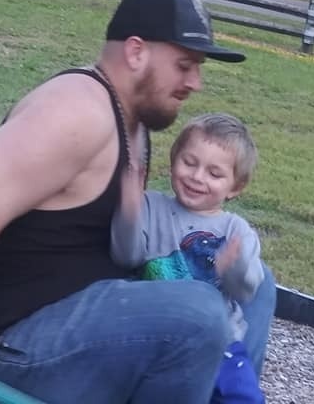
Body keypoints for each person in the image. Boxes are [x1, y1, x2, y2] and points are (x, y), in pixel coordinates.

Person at [0, 0, 276, 404]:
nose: (195, 82)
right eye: (184, 65)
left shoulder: (134, 118)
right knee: (198, 315)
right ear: (136, 52)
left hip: (89, 321)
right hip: (21, 343)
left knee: (255, 284)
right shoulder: (76, 111)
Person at [111, 113, 266, 404]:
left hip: (222, 343)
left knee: (241, 397)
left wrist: (233, 268)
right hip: (154, 333)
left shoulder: (236, 231)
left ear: (235, 187)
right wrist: (129, 213)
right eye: (189, 162)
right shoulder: (150, 206)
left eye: (214, 174)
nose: (197, 177)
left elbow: (246, 291)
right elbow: (126, 256)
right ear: (173, 160)